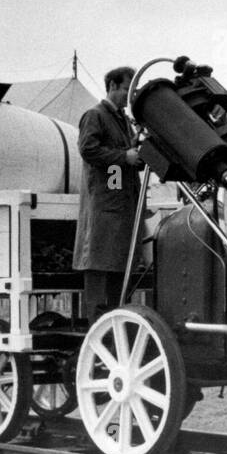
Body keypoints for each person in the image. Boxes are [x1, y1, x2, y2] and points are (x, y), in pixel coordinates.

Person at [73, 65, 143, 319]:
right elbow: (88, 150)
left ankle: (115, 328)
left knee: (118, 270)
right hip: (104, 210)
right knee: (100, 269)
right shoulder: (95, 115)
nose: (129, 95)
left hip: (122, 209)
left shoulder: (123, 121)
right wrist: (125, 156)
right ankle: (98, 330)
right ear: (112, 86)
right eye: (126, 89)